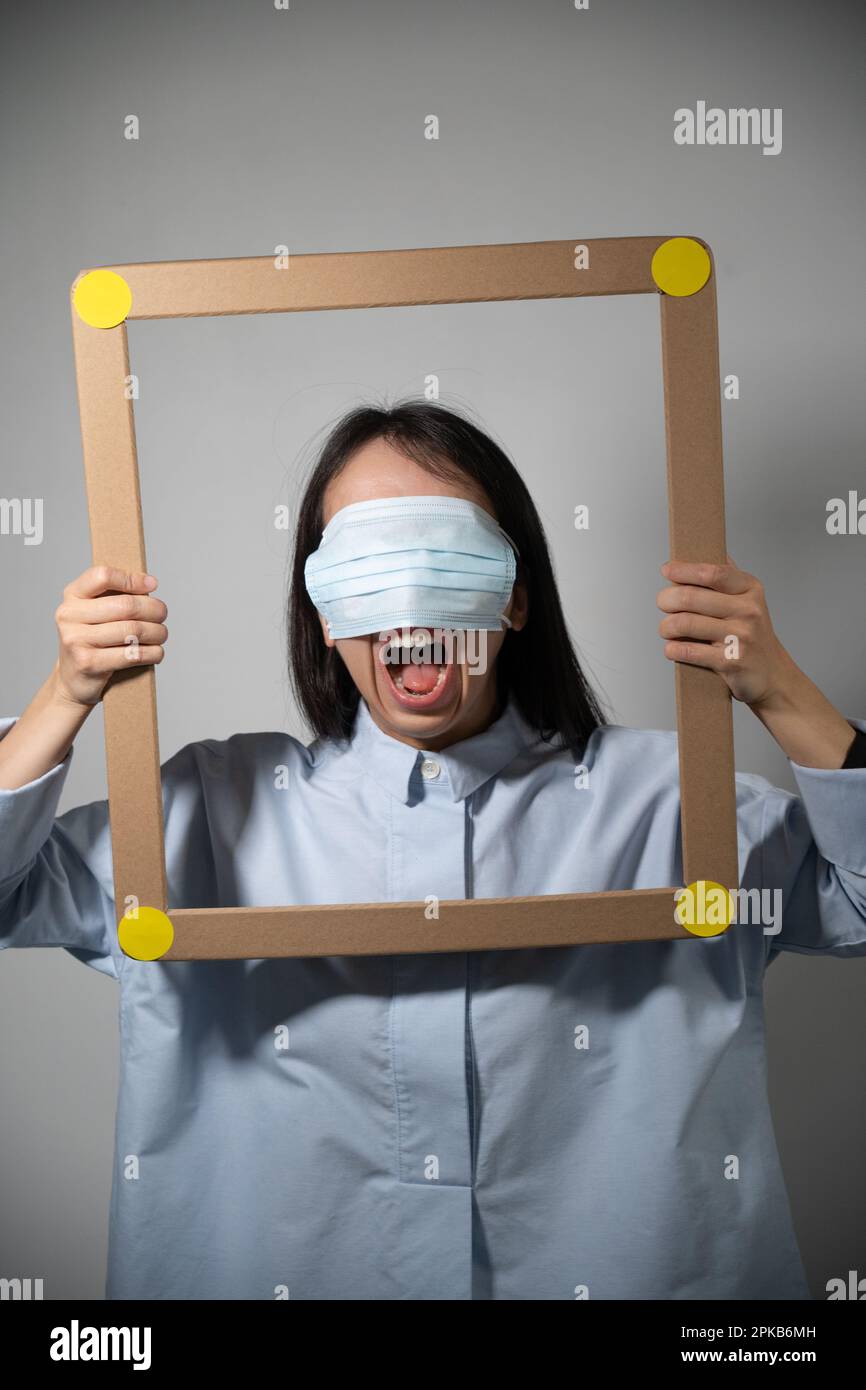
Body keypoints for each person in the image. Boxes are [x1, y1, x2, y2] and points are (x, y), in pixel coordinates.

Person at [1, 399, 864, 1301]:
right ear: (324, 615)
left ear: (516, 597)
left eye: (444, 555)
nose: (409, 601)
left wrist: (782, 692)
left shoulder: (671, 804)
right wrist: (68, 694)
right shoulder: (207, 812)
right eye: (369, 565)